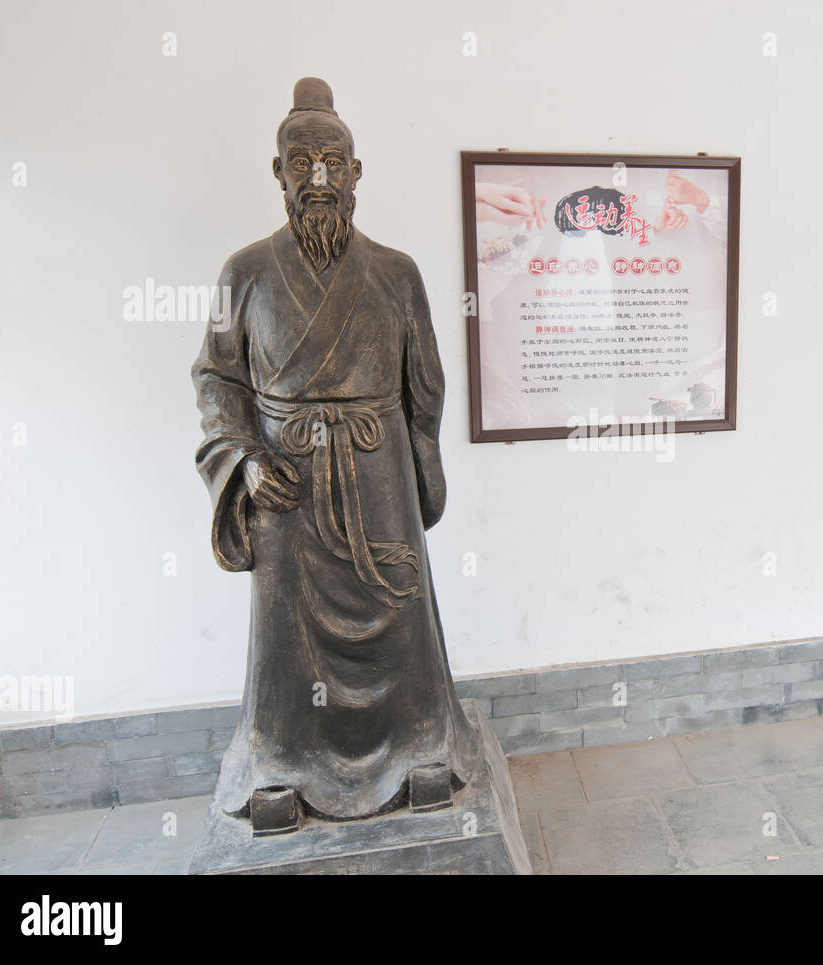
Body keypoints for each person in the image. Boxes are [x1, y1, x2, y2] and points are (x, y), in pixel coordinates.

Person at [190, 78, 479, 833]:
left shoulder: (396, 272)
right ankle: (279, 762)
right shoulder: (244, 273)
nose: (318, 178)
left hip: (377, 473)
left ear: (356, 173)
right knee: (287, 646)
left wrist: (421, 475)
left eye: (332, 162)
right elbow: (216, 379)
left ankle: (419, 746)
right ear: (278, 171)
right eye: (302, 162)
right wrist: (247, 461)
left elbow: (426, 385)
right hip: (286, 484)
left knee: (400, 613)